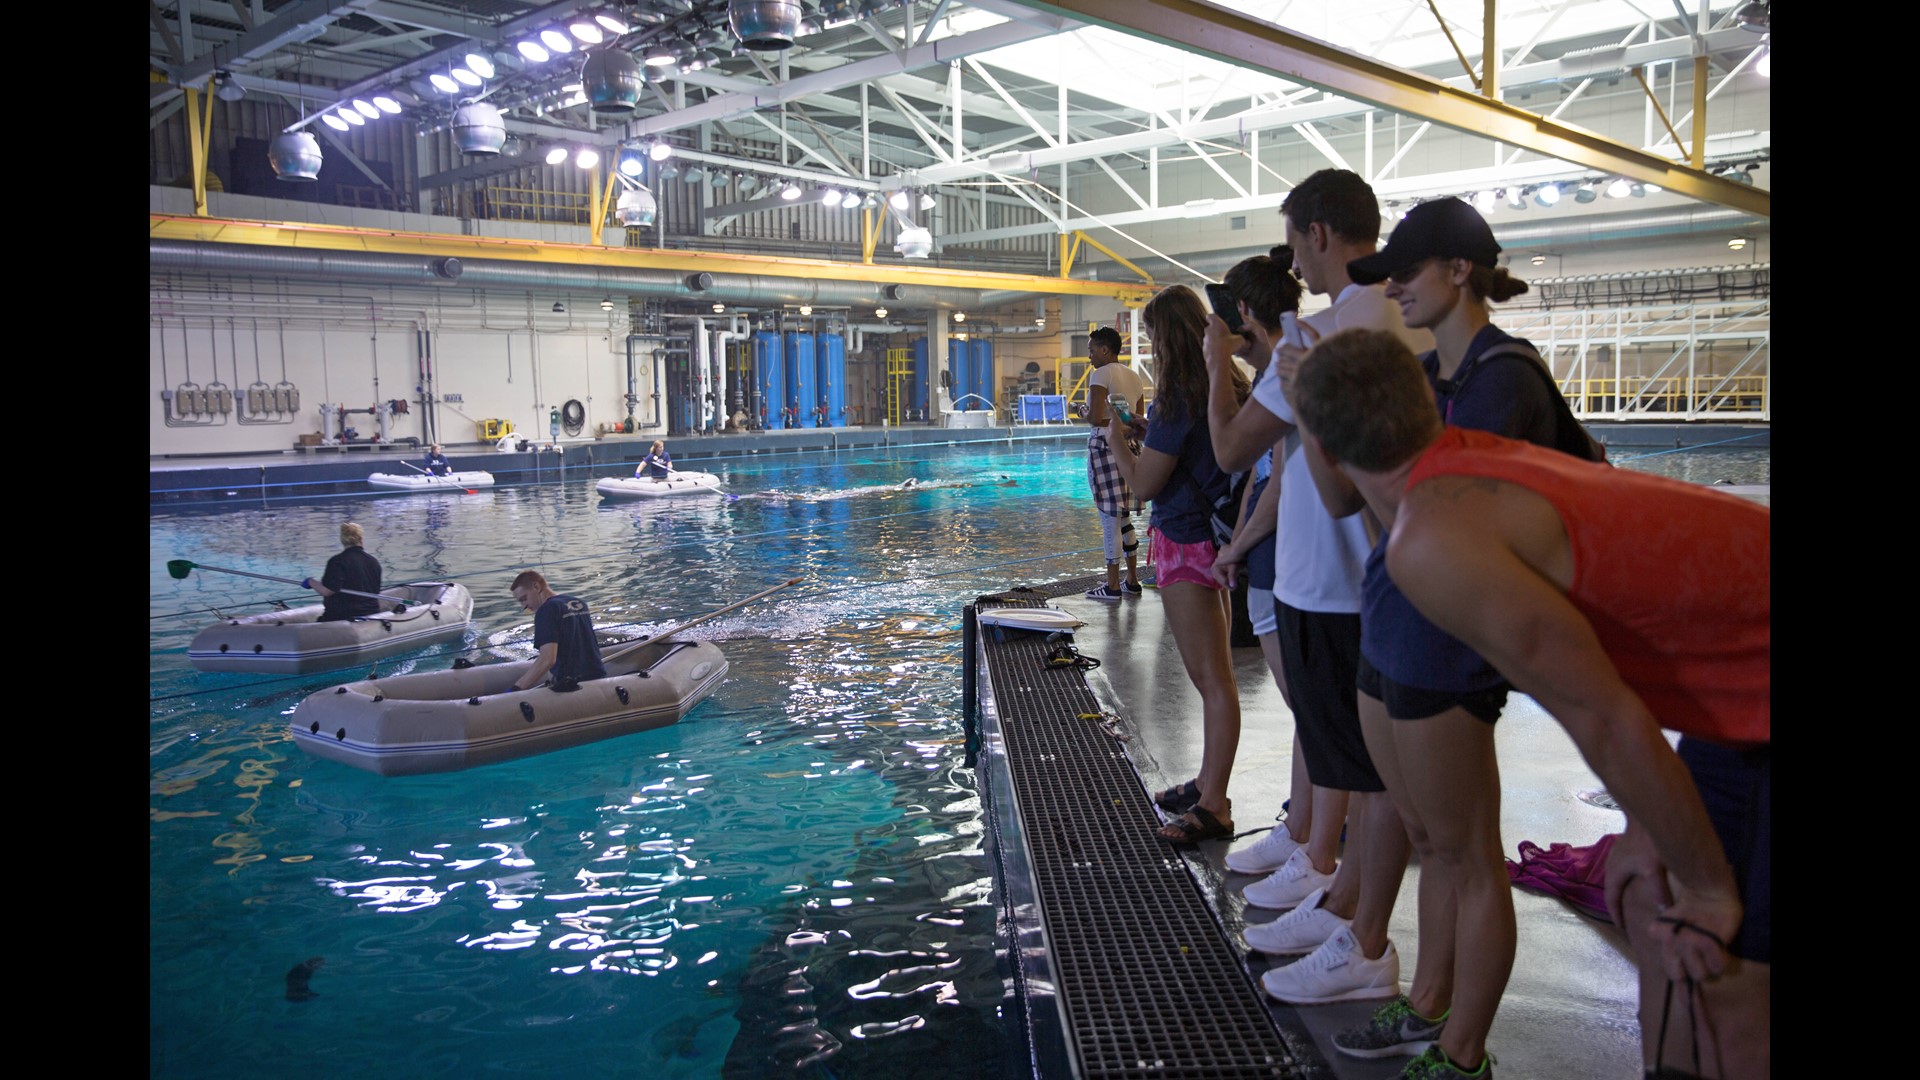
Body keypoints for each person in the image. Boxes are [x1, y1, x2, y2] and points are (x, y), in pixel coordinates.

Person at [1290, 328, 1768, 1080]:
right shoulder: (1467, 464)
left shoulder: (1435, 540)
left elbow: (1603, 714)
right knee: (1659, 917)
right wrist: (1650, 830)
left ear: (1317, 448)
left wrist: (1707, 884)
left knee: (1733, 982)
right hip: (1742, 713)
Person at [1285, 196, 1600, 1077]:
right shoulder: (1437, 377)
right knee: (1434, 846)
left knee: (1467, 853)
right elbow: (1352, 497)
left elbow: (1450, 529)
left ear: (1460, 271)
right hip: (1398, 620)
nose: (1393, 292)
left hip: (1450, 639)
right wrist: (1318, 401)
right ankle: (1425, 1003)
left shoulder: (1505, 379)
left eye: (1404, 275)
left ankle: (1463, 1051)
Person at [1202, 169, 1435, 1022]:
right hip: (1358, 570)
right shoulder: (1385, 325)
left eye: (1297, 239)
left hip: (1341, 580)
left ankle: (1362, 937)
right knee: (1361, 768)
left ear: (1321, 234)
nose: (1294, 257)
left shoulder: (1339, 329)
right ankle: (1345, 911)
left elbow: (1240, 453)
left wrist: (1215, 363)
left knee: (1378, 782)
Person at [1107, 285, 1247, 845]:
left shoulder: (1177, 398)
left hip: (1187, 545)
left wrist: (1117, 440)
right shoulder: (1227, 385)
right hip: (1219, 537)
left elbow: (1141, 487)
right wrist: (1151, 436)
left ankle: (1214, 805)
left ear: (1163, 337)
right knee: (1220, 676)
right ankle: (1208, 782)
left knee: (1212, 680)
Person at [1083, 326, 1145, 601]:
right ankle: (1132, 580)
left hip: (1104, 446)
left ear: (1105, 349)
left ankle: (1112, 586)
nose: (1090, 357)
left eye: (1092, 350)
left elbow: (1096, 418)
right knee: (1124, 517)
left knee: (1109, 517)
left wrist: (1083, 411)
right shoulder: (1135, 377)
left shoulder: (1101, 374)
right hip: (1130, 446)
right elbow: (1138, 419)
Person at [509, 571, 608, 692]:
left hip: (572, 686)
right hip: (599, 677)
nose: (524, 606)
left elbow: (548, 659)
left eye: (524, 599)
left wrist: (516, 688)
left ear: (536, 586)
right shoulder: (579, 602)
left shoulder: (546, 610)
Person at [305, 522, 382, 622]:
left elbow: (327, 591)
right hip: (371, 612)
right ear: (361, 540)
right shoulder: (373, 561)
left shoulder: (337, 561)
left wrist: (311, 582)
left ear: (342, 541)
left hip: (342, 616)